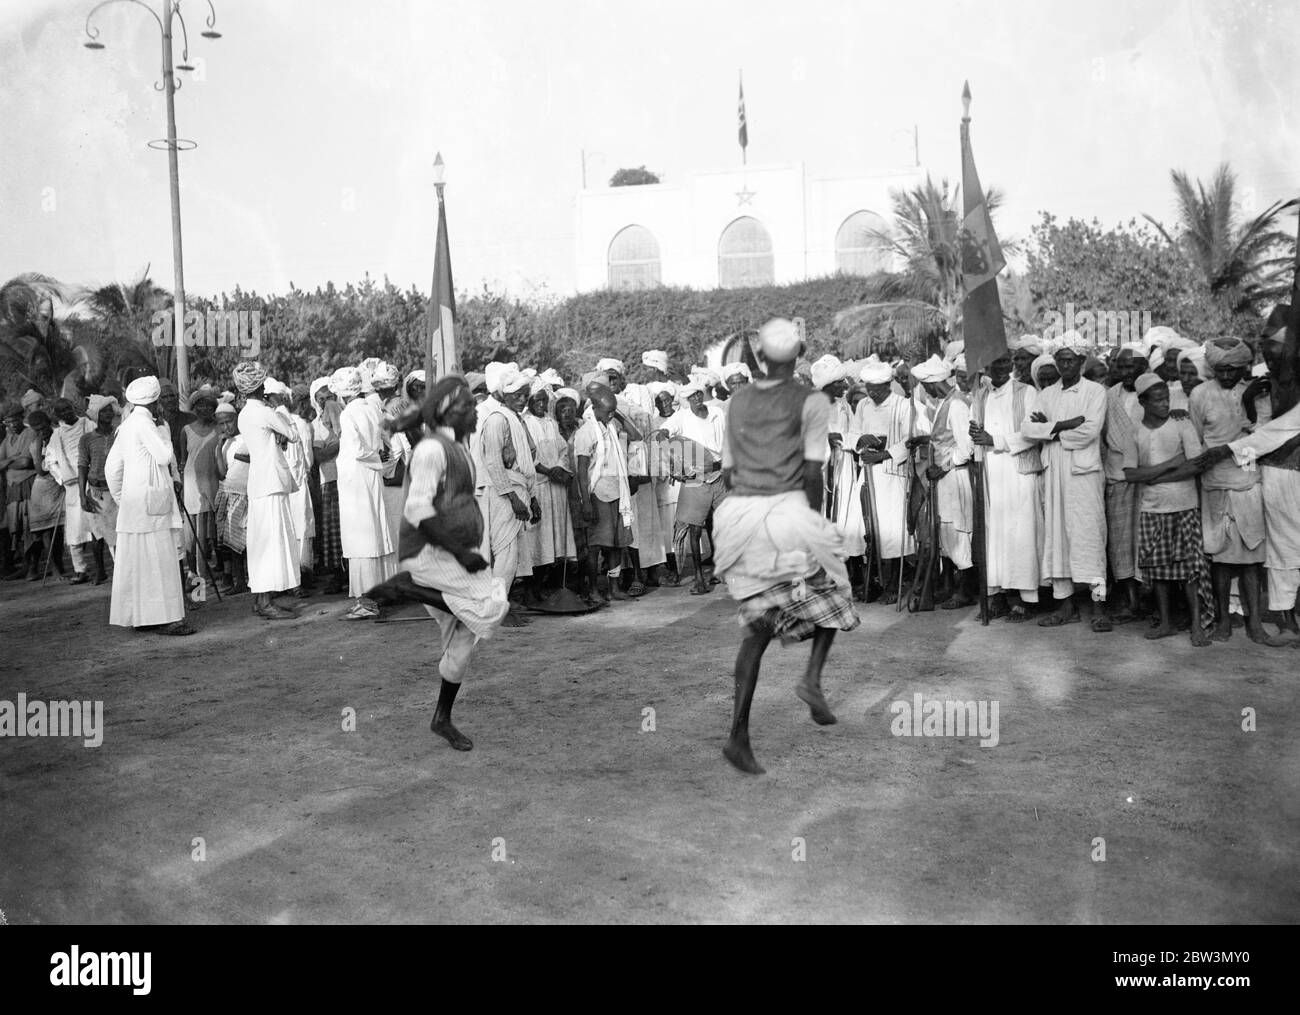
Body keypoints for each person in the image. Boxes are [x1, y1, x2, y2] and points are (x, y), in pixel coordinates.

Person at [714, 318, 860, 775]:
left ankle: (739, 735)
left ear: (760, 359)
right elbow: (814, 472)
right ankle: (812, 679)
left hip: (744, 517)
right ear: (797, 358)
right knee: (835, 594)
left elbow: (730, 473)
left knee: (756, 630)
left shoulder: (737, 403)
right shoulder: (809, 401)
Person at [365, 376, 510, 751]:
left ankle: (441, 718)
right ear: (451, 412)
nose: (477, 411)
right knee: (491, 605)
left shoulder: (457, 446)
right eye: (470, 407)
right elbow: (417, 509)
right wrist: (461, 553)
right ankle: (407, 588)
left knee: (464, 639)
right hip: (432, 555)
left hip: (452, 555)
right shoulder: (432, 450)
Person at [1187, 338, 1277, 644]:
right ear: (1212, 368)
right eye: (1220, 370)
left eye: (1232, 370)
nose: (1226, 376)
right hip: (1214, 484)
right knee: (1221, 559)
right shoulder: (1200, 394)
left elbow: (1262, 439)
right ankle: (1224, 620)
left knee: (1252, 558)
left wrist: (1249, 403)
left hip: (1248, 482)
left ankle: (1254, 623)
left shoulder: (1257, 393)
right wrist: (1211, 462)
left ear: (1243, 367)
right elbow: (1197, 442)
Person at [1022, 338, 1110, 631]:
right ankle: (1067, 605)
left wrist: (1052, 430)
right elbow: (1028, 428)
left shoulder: (1095, 391)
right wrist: (1063, 424)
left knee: (1089, 537)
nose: (1064, 365)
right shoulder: (1046, 394)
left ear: (1082, 362)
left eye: (1070, 360)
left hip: (1083, 472)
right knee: (1057, 537)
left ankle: (1098, 605)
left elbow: (1090, 429)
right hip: (1053, 470)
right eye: (1060, 360)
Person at [1121, 374, 1210, 646]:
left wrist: (1157, 477)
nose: (1163, 404)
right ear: (1142, 402)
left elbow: (1196, 464)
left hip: (1184, 504)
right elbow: (1130, 474)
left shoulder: (1182, 424)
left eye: (1166, 398)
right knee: (1158, 569)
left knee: (1191, 568)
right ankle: (1166, 622)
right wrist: (1170, 464)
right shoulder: (1134, 431)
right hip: (1153, 508)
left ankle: (1197, 625)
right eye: (1157, 399)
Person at [104, 376, 193, 635]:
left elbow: (112, 469)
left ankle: (143, 617)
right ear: (155, 403)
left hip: (135, 505)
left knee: (140, 564)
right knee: (159, 562)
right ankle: (166, 619)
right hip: (151, 505)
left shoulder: (127, 426)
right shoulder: (146, 425)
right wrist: (164, 434)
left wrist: (123, 498)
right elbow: (165, 455)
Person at [969, 351, 1044, 621]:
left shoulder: (1027, 392)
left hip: (1018, 472)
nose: (1001, 368)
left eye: (1005, 363)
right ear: (986, 366)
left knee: (1021, 535)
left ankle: (1026, 599)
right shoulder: (981, 395)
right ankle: (997, 596)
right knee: (995, 535)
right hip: (991, 473)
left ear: (1011, 365)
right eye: (995, 363)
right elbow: (974, 436)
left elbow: (1033, 433)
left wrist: (995, 439)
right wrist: (979, 442)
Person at [235, 363, 303, 620]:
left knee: (262, 541)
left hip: (259, 482)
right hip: (271, 482)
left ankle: (262, 599)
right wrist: (282, 414)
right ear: (260, 387)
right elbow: (293, 434)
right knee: (272, 541)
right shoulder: (265, 412)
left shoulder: (244, 414)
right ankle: (265, 602)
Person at [910, 355, 976, 609]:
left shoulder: (957, 405)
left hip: (954, 477)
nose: (925, 390)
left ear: (932, 384)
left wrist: (944, 468)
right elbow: (942, 438)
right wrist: (923, 440)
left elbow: (965, 448)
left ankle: (965, 590)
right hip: (942, 479)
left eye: (925, 386)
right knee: (944, 532)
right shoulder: (943, 403)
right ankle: (949, 586)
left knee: (958, 532)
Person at [476, 364, 540, 625]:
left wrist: (532, 498)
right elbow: (493, 464)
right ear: (505, 394)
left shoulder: (516, 418)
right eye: (517, 394)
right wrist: (513, 499)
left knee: (511, 557)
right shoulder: (496, 419)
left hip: (519, 490)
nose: (522, 399)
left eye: (526, 394)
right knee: (505, 556)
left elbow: (526, 463)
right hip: (503, 494)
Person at [653, 377, 725, 595]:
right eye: (690, 396)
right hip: (695, 477)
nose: (695, 398)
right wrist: (674, 460)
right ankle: (699, 579)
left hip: (719, 473)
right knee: (693, 528)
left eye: (697, 394)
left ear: (702, 395)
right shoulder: (682, 417)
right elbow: (661, 434)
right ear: (686, 400)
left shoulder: (718, 414)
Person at [333, 366, 394, 620]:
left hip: (357, 479)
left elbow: (358, 450)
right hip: (370, 477)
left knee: (361, 537)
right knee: (373, 532)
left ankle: (366, 601)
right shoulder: (372, 408)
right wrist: (379, 461)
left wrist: (373, 459)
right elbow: (382, 445)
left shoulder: (348, 414)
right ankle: (376, 594)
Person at [853, 358, 915, 604]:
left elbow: (910, 440)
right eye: (868, 387)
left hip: (892, 474)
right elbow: (854, 433)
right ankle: (875, 581)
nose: (872, 392)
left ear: (888, 385)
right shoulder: (863, 406)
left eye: (877, 388)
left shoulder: (903, 405)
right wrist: (861, 440)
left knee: (891, 531)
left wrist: (885, 453)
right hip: (868, 472)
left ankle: (894, 584)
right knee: (867, 529)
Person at [574, 383, 641, 603]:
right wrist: (586, 502)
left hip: (618, 493)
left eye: (613, 410)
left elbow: (637, 436)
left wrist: (617, 413)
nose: (611, 414)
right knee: (596, 546)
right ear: (594, 407)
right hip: (598, 494)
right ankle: (593, 589)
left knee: (617, 544)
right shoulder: (585, 432)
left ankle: (614, 587)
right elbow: (582, 472)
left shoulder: (612, 426)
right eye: (607, 410)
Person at [1101, 344, 1149, 623]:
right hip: (1117, 476)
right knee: (1120, 542)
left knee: (1146, 540)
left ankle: (1150, 600)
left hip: (1149, 476)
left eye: (1132, 366)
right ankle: (1128, 599)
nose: (1126, 371)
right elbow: (1102, 437)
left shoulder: (1157, 393)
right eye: (1121, 366)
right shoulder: (1109, 396)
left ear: (1144, 367)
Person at [521, 379, 576, 599]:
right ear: (530, 402)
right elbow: (526, 455)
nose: (542, 405)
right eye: (538, 401)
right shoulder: (524, 423)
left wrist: (560, 469)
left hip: (556, 488)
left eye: (545, 401)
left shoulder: (552, 423)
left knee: (553, 542)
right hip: (538, 488)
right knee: (536, 541)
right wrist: (546, 470)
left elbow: (563, 451)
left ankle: (544, 587)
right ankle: (529, 590)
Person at [43, 398, 95, 584]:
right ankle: (80, 570)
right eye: (61, 411)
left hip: (93, 484)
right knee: (74, 531)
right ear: (57, 415)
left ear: (74, 407)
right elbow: (50, 461)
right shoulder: (56, 436)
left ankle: (108, 566)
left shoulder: (88, 424)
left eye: (68, 409)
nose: (66, 413)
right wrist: (62, 478)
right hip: (72, 488)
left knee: (99, 527)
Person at [78, 394, 121, 585]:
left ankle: (122, 572)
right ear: (95, 414)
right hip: (95, 492)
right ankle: (100, 571)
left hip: (116, 492)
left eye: (109, 409)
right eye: (102, 410)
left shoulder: (119, 434)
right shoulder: (86, 439)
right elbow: (82, 466)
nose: (107, 413)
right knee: (97, 535)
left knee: (119, 533)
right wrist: (81, 494)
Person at [180, 391, 221, 586]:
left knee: (208, 533)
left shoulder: (219, 430)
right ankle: (194, 576)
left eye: (209, 406)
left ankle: (206, 575)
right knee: (191, 536)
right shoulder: (186, 430)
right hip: (190, 486)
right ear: (194, 408)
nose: (204, 409)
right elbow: (182, 461)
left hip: (212, 484)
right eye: (200, 405)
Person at [311, 377, 346, 593]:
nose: (325, 403)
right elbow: (320, 455)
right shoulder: (316, 425)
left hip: (348, 480)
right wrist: (342, 442)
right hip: (330, 481)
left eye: (329, 398)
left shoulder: (345, 417)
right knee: (333, 533)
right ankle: (336, 576)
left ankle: (351, 573)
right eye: (321, 399)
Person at [213, 400, 249, 594]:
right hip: (229, 493)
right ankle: (239, 581)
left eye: (229, 421)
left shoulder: (246, 438)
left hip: (246, 493)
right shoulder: (224, 444)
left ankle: (252, 580)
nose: (226, 426)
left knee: (248, 541)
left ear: (236, 419)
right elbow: (221, 473)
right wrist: (218, 450)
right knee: (232, 543)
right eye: (221, 423)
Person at [24, 411, 65, 580]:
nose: (42, 432)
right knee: (45, 531)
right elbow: (40, 470)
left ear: (49, 422)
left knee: (59, 529)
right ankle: (51, 568)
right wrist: (37, 451)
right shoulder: (35, 444)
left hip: (59, 485)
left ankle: (59, 565)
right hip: (43, 490)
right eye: (37, 430)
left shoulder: (59, 435)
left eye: (43, 427)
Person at [0, 404, 36, 580]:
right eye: (8, 422)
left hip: (27, 484)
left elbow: (26, 463)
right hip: (12, 488)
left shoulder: (29, 433)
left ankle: (32, 567)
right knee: (16, 528)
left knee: (30, 525)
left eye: (14, 421)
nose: (12, 425)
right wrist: (14, 458)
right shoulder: (8, 438)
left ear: (21, 418)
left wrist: (8, 462)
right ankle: (24, 565)